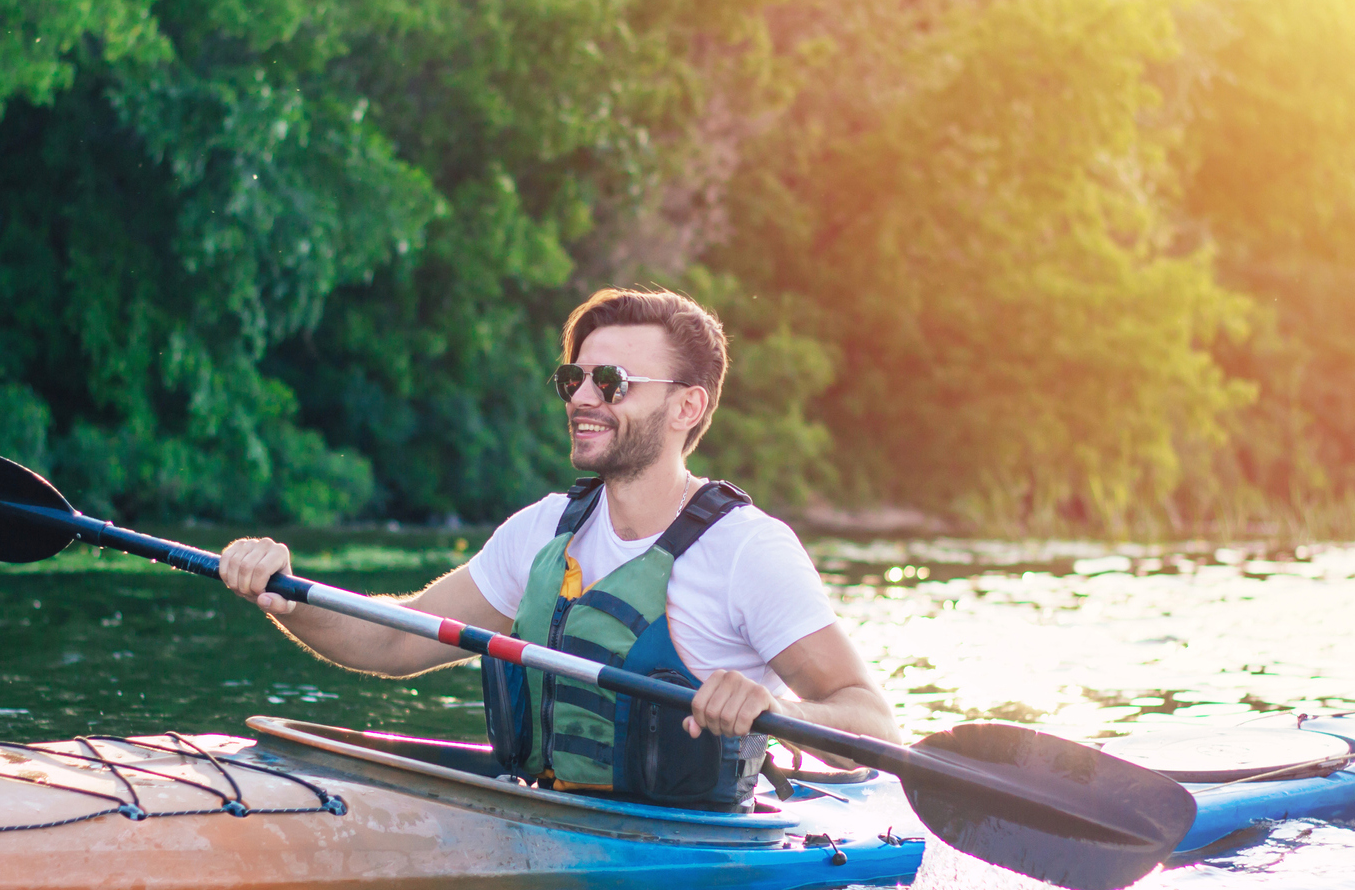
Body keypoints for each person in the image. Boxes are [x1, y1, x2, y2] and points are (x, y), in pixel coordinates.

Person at [218, 288, 901, 809]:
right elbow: (395, 640)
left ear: (686, 407)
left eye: (612, 383)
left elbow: (873, 725)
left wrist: (775, 714)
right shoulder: (543, 529)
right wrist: (286, 595)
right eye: (574, 379)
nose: (582, 398)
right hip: (539, 813)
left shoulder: (747, 551)